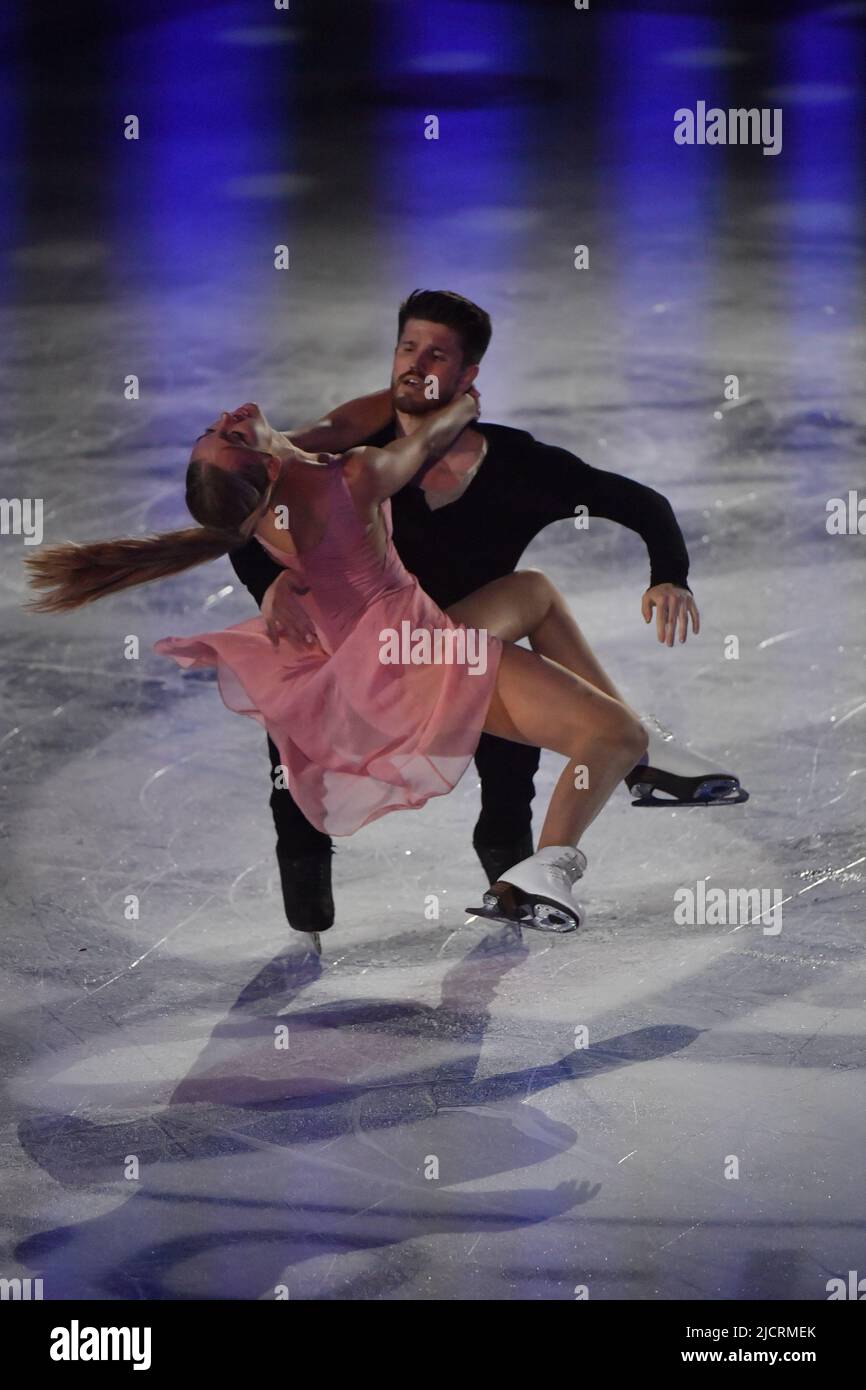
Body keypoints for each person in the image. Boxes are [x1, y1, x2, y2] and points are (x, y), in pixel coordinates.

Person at [26, 386, 653, 947]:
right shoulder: (352, 476)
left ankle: (644, 766)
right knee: (613, 736)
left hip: (379, 661)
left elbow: (354, 418)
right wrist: (463, 404)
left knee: (532, 591)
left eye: (216, 429)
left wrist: (274, 580)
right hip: (422, 663)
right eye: (232, 434)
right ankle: (548, 870)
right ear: (265, 464)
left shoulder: (274, 497)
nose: (228, 416)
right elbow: (426, 441)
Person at [226, 290, 743, 938]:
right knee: (526, 611)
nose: (415, 364)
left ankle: (542, 846)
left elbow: (638, 501)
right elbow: (244, 517)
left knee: (527, 613)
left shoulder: (516, 464)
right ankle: (618, 769)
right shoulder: (355, 464)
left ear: (468, 376)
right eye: (407, 347)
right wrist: (270, 585)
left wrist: (671, 575)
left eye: (436, 354)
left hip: (446, 649)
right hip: (370, 667)